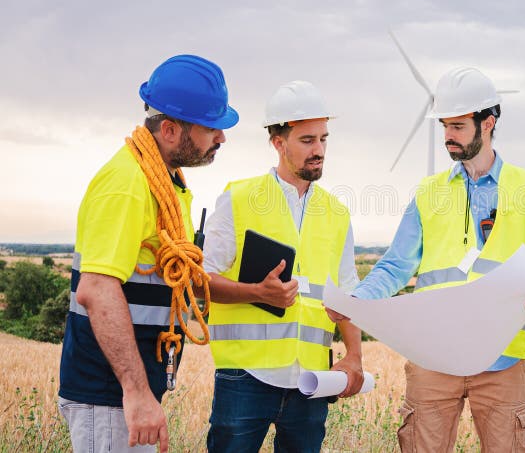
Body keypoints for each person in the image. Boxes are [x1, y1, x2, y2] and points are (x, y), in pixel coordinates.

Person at [329, 67, 525, 452]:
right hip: (433, 357)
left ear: (487, 123)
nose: (447, 137)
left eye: (457, 126)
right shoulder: (429, 192)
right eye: (444, 127)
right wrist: (359, 300)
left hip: (503, 360)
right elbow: (395, 265)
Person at [58, 54, 239, 452]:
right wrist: (137, 394)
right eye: (212, 128)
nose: (221, 138)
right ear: (171, 130)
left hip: (124, 390)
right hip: (108, 393)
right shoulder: (127, 184)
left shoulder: (164, 183)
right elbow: (97, 290)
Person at [203, 80, 364, 453]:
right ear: (278, 142)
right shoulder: (239, 197)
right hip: (245, 377)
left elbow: (347, 294)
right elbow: (201, 282)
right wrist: (256, 293)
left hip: (310, 382)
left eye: (324, 139)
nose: (320, 150)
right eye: (308, 140)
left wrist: (354, 356)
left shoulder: (337, 213)